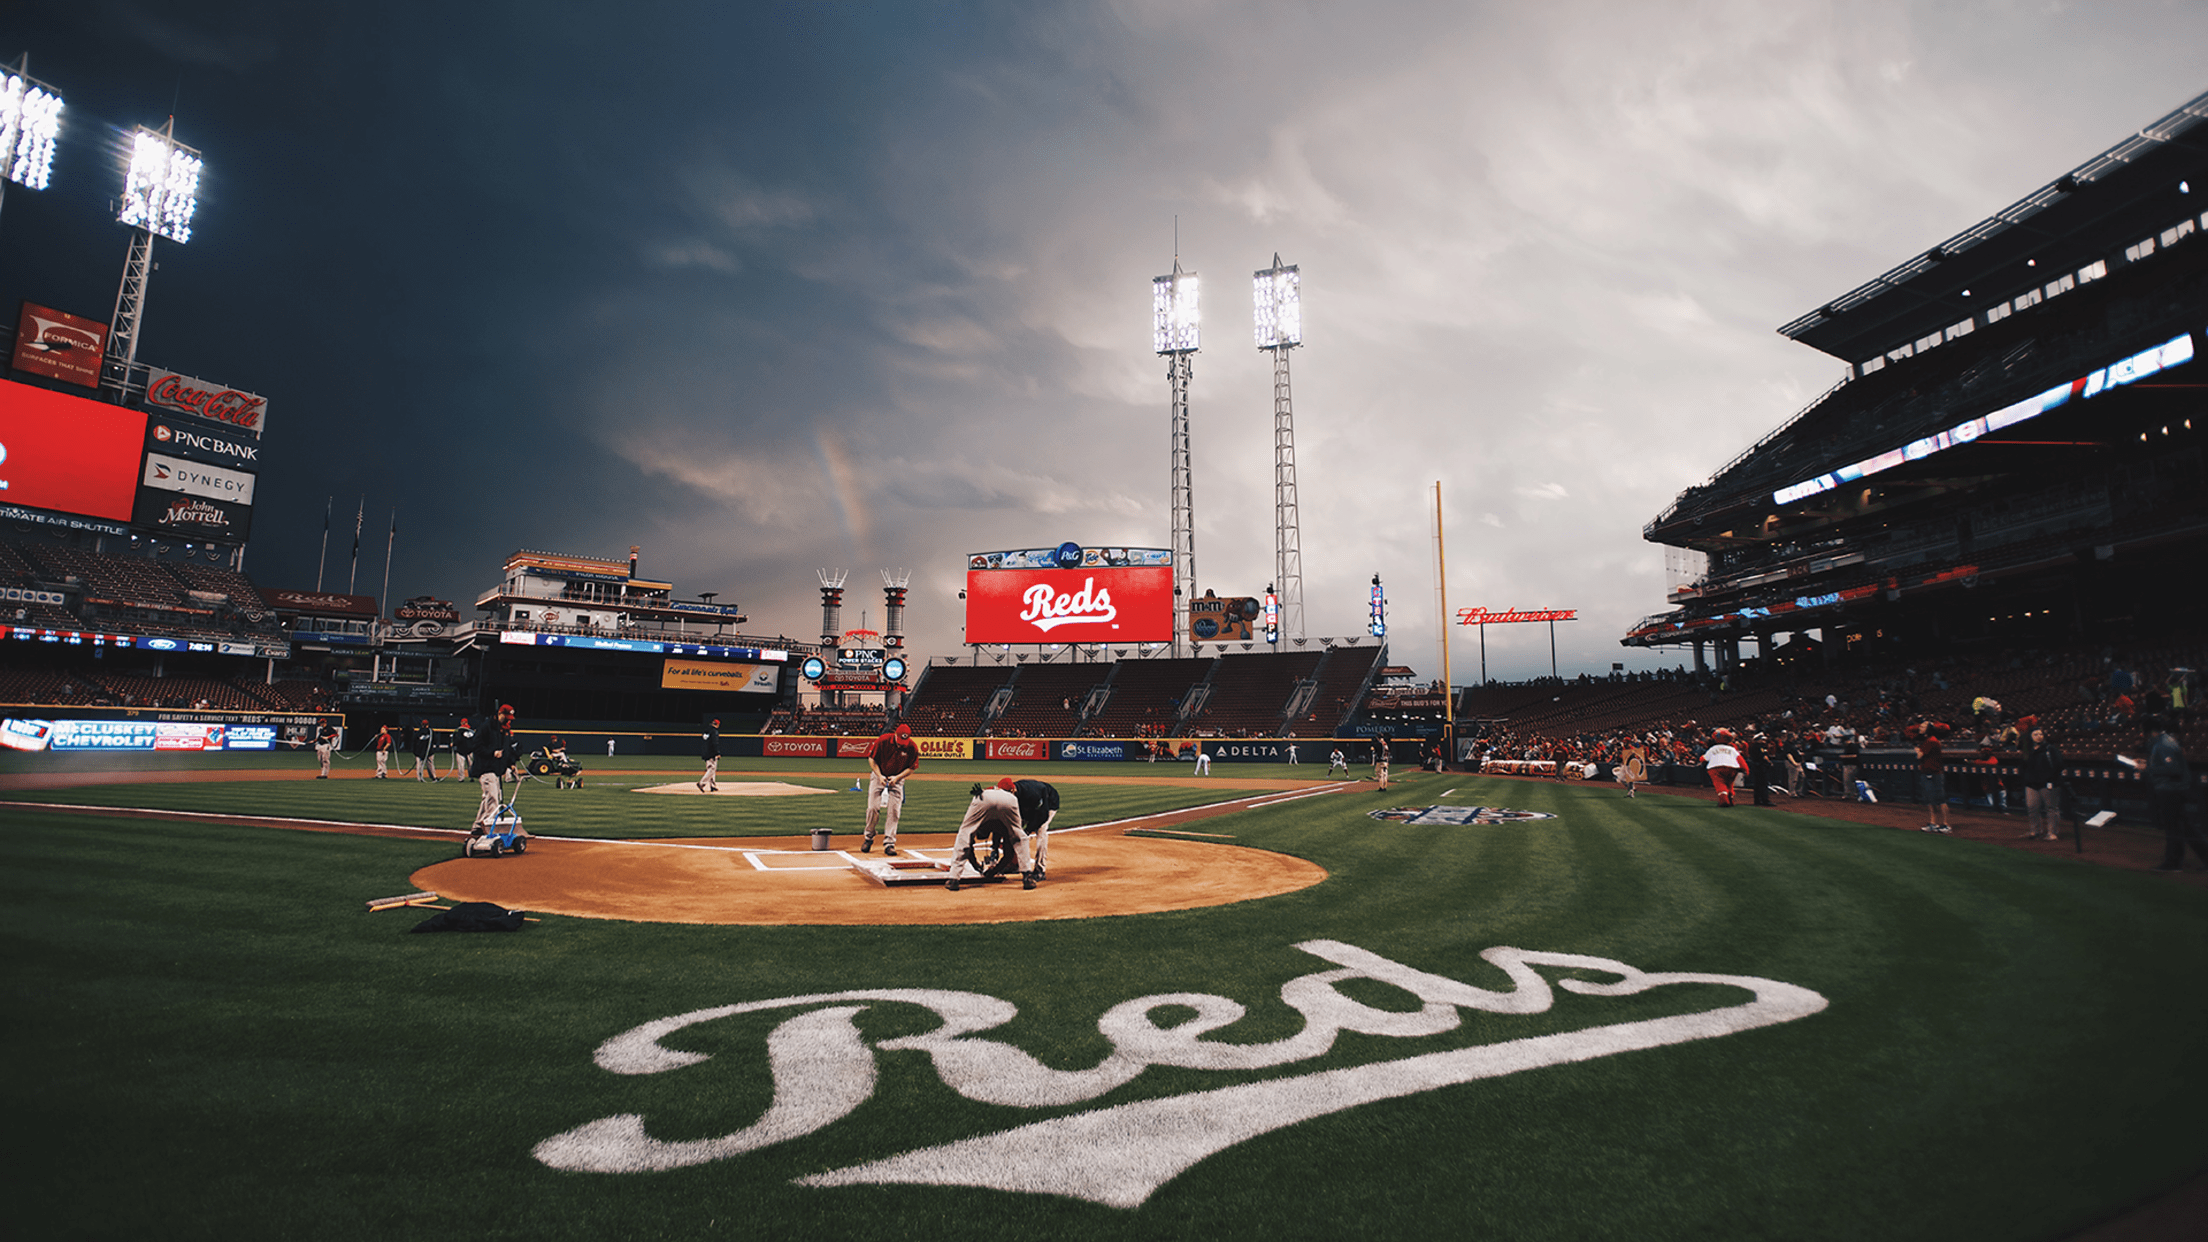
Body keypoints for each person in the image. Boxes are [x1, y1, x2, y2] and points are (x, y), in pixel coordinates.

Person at [945, 782, 1034, 891]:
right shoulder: (1004, 826)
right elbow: (1009, 853)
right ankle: (1028, 877)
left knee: (964, 833)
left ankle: (954, 879)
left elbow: (967, 844)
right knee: (1020, 837)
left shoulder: (980, 822)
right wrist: (994, 871)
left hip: (983, 797)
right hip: (1009, 800)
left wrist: (976, 865)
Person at [2144, 717, 2207, 872]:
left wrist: (2148, 769)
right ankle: (2189, 859)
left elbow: (2174, 769)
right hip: (2172, 789)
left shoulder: (2164, 743)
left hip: (2171, 790)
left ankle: (2173, 863)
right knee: (2185, 826)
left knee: (2174, 827)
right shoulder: (2163, 741)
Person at [861, 722, 920, 856]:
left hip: (897, 780)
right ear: (895, 735)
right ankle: (868, 838)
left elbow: (912, 767)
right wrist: (880, 775)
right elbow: (871, 759)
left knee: (894, 811)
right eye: (899, 741)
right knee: (872, 808)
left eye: (903, 742)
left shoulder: (912, 747)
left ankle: (889, 843)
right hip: (878, 776)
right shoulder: (883, 741)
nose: (901, 744)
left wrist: (897, 777)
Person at [470, 704, 522, 840]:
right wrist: (492, 753)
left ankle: (477, 825)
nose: (509, 720)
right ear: (500, 714)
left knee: (488, 797)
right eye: (507, 717)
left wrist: (511, 763)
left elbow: (507, 749)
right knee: (493, 798)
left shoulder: (504, 730)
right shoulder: (486, 727)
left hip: (497, 769)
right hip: (486, 768)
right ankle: (489, 828)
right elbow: (475, 746)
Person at [999, 775, 1060, 880]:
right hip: (1028, 806)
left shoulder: (1032, 794)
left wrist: (1027, 830)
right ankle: (1013, 864)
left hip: (1048, 802)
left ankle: (1040, 869)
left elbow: (1042, 815)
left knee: (1041, 833)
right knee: (1013, 831)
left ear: (1013, 790)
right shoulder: (1010, 795)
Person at [2020, 727, 2063, 841]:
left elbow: (2059, 764)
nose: (2039, 736)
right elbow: (2024, 766)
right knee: (2032, 807)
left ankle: (2052, 833)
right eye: (2035, 734)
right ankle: (2035, 831)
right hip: (2032, 783)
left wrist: (2051, 779)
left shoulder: (2050, 749)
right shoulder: (2028, 750)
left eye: (2040, 734)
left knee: (2051, 808)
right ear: (2030, 737)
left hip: (2048, 782)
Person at [1916, 726, 1951, 834]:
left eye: (1923, 726)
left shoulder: (1931, 741)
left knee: (1940, 799)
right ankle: (1933, 823)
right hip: (1928, 772)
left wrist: (1917, 750)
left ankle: (1945, 824)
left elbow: (1919, 755)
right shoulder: (1928, 740)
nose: (1920, 728)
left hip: (1935, 773)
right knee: (1930, 799)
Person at [1702, 730, 1743, 807]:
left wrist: (1701, 759)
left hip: (1716, 767)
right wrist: (1746, 769)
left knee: (1720, 784)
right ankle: (1730, 798)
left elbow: (1704, 758)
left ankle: (1724, 800)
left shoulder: (1714, 748)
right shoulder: (1732, 748)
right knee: (1729, 784)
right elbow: (1740, 759)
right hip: (1732, 767)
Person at [698, 719, 721, 792]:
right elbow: (715, 742)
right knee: (712, 768)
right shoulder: (714, 731)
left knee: (711, 769)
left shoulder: (706, 730)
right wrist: (717, 752)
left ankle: (712, 786)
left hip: (705, 752)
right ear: (717, 724)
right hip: (711, 752)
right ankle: (701, 783)